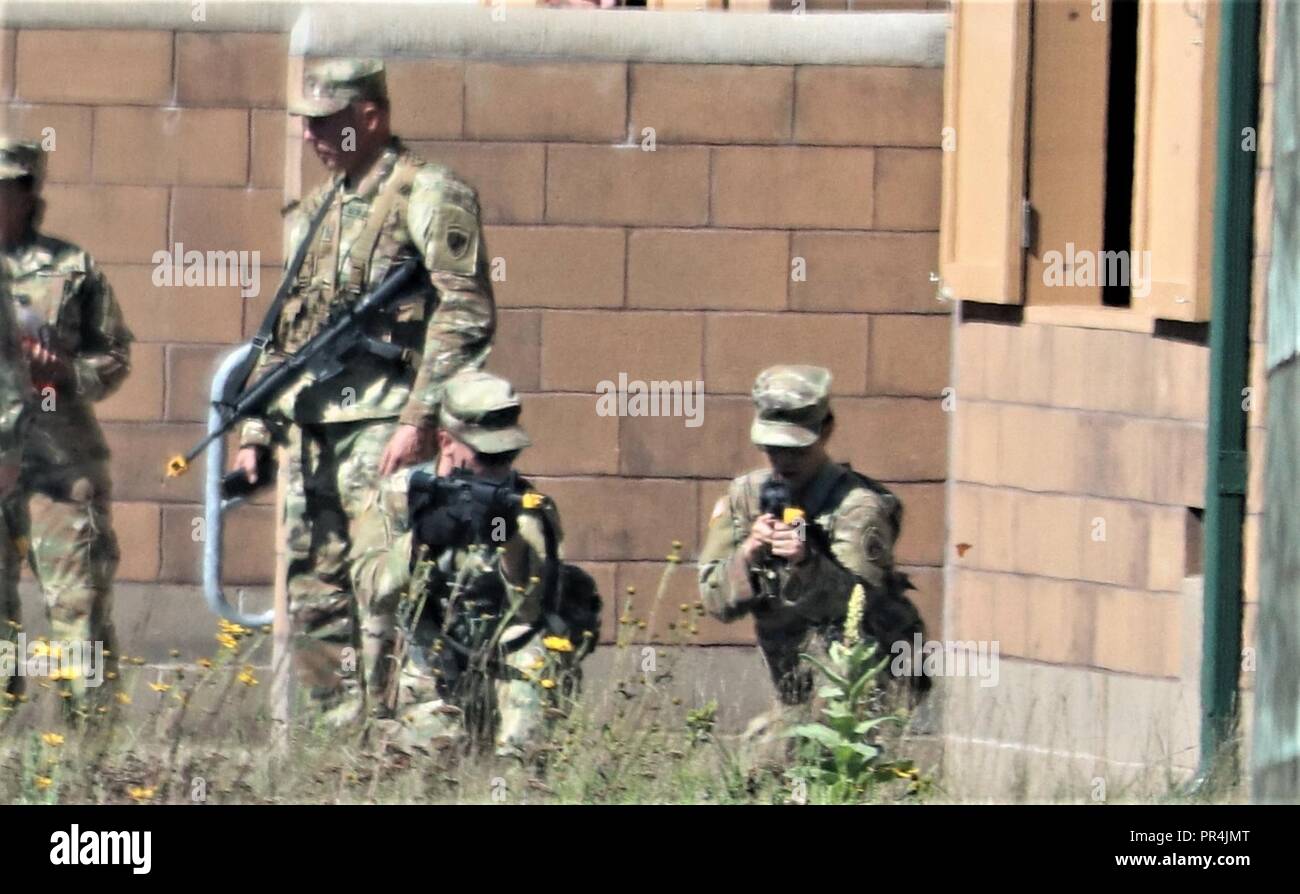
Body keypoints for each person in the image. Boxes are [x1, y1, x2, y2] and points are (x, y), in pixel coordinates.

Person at [228, 59, 496, 722]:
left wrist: (421, 416)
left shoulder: (427, 192)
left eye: (328, 123)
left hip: (386, 425)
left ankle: (415, 749)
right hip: (312, 431)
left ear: (370, 117)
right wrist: (255, 432)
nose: (314, 137)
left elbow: (464, 310)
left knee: (393, 588)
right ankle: (335, 756)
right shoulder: (313, 214)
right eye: (307, 125)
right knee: (316, 597)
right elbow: (284, 335)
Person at [351, 370, 598, 759]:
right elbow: (370, 590)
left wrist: (503, 533)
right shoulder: (399, 499)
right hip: (423, 660)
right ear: (446, 442)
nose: (499, 467)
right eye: (487, 456)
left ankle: (520, 777)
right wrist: (418, 544)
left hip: (498, 661)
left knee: (537, 650)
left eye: (507, 456)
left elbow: (532, 608)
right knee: (428, 763)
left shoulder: (522, 506)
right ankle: (382, 728)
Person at [697, 365, 928, 710]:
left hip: (864, 678)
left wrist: (807, 564)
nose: (783, 460)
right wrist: (748, 553)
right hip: (793, 683)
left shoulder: (857, 507)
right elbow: (715, 601)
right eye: (773, 449)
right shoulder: (744, 498)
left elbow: (859, 609)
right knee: (769, 758)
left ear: (826, 430)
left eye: (797, 449)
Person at [0, 137, 132, 718]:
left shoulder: (72, 269)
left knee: (79, 617)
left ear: (27, 195)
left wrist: (64, 372)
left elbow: (114, 359)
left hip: (58, 469)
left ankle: (92, 767)